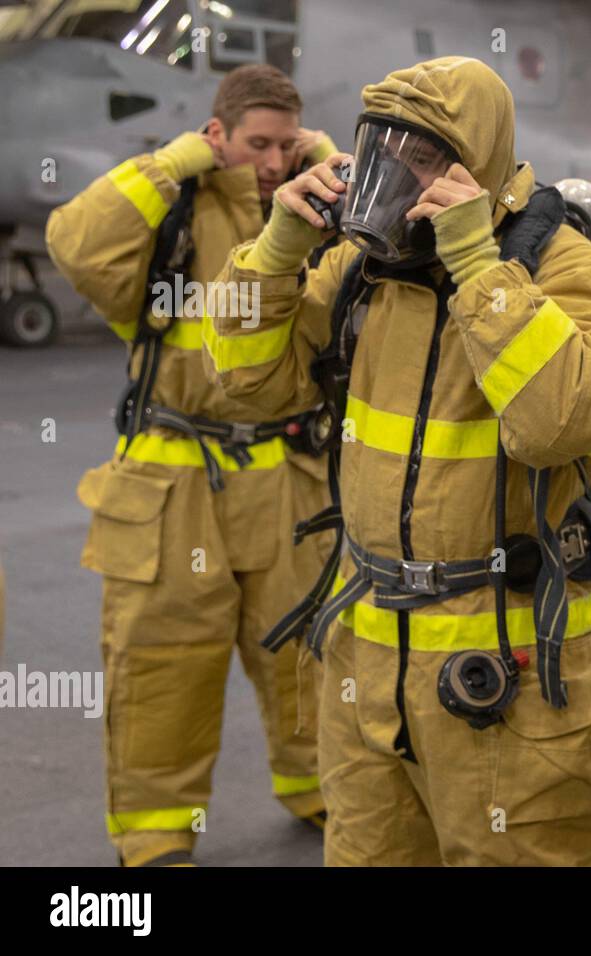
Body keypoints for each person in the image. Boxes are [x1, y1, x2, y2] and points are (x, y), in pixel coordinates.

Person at [202, 56, 591, 866]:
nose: (396, 182)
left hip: (514, 691)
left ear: (473, 168)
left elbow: (565, 422)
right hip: (366, 681)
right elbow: (242, 385)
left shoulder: (563, 268)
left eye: (423, 160)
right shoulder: (363, 274)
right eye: (384, 156)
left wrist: (480, 268)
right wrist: (274, 252)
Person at [46, 64, 336, 867]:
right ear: (218, 137)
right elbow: (73, 240)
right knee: (162, 664)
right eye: (256, 145)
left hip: (287, 472)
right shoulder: (172, 213)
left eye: (287, 143)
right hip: (173, 483)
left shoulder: (316, 211)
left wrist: (327, 157)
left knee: (308, 650)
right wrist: (175, 162)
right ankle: (156, 835)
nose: (273, 162)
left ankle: (320, 788)